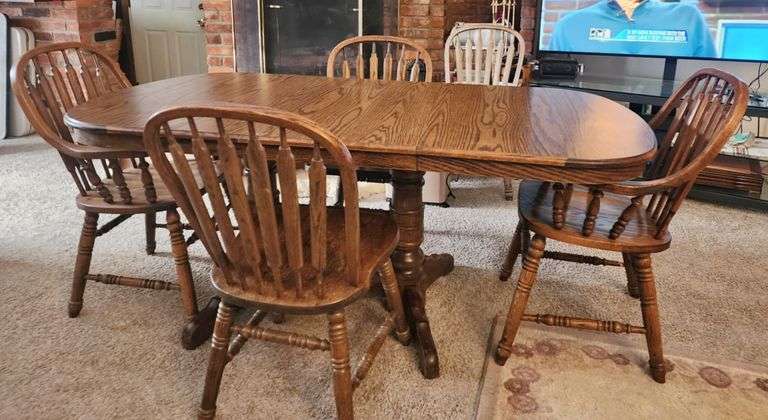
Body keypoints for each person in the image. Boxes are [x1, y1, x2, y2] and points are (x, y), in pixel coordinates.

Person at [549, 0, 717, 58]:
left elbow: (711, 84)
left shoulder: (687, 16)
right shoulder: (570, 24)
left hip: (675, 125)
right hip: (587, 124)